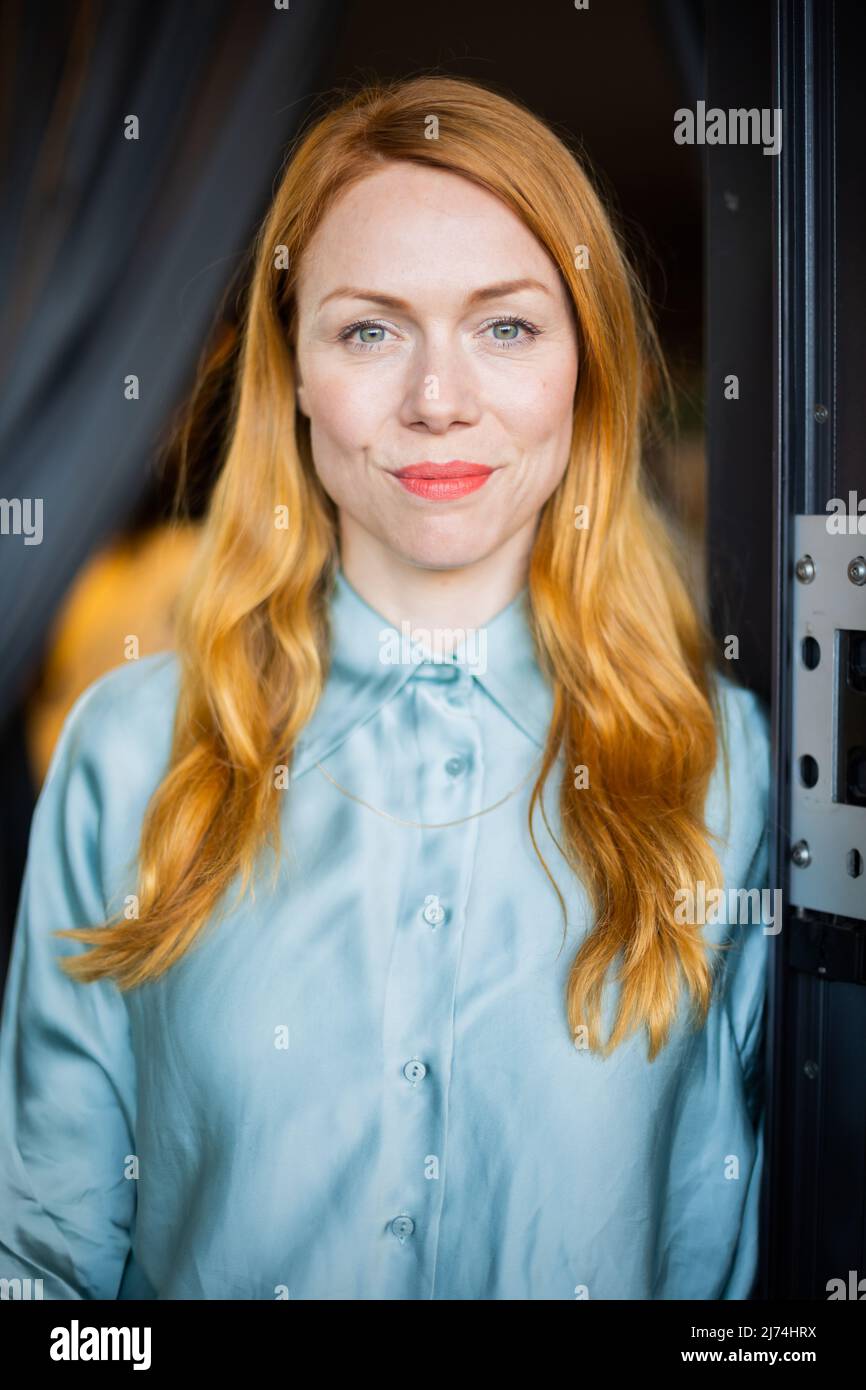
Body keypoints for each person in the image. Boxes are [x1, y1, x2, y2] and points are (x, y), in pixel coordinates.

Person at [0, 75, 771, 1301]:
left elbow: (708, 1260)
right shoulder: (130, 749)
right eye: (369, 328)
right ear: (293, 371)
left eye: (505, 327)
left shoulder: (715, 760)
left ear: (586, 367)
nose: (436, 400)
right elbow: (41, 1261)